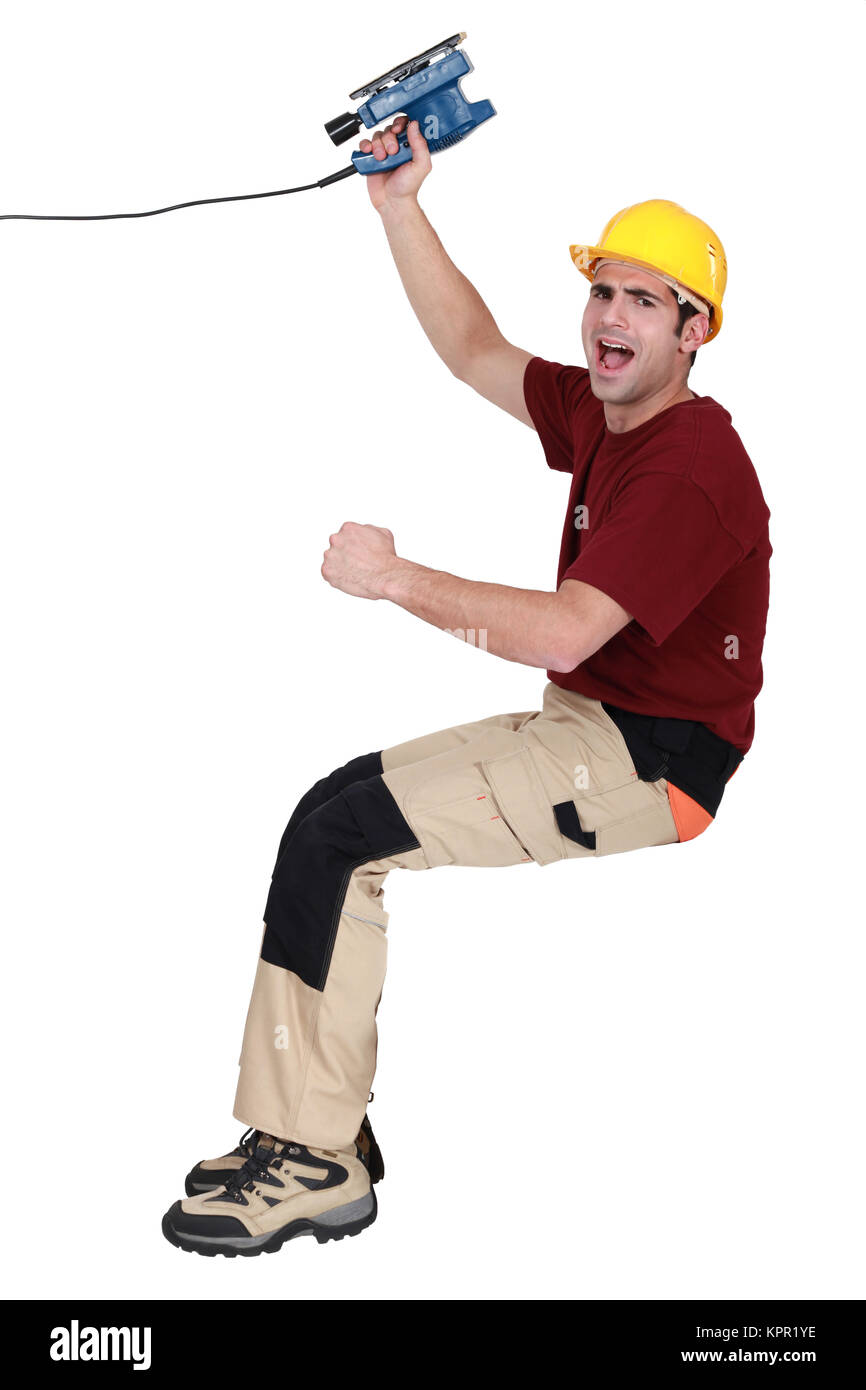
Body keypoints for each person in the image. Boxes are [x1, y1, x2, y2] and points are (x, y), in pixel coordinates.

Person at [162, 116, 771, 1256]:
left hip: (648, 762)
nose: (608, 317)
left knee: (342, 841)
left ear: (694, 331)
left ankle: (312, 1155)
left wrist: (394, 579)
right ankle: (318, 1123)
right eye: (601, 291)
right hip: (591, 723)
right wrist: (399, 206)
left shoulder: (691, 468)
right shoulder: (604, 408)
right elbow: (471, 347)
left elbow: (563, 627)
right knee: (328, 814)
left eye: (643, 301)